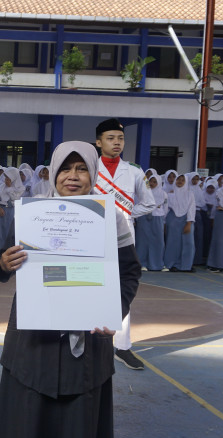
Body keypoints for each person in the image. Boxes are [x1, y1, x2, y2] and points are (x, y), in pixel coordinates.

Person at [0, 141, 140, 438]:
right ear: (54, 173)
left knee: (77, 427)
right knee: (26, 426)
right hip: (32, 345)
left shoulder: (111, 218)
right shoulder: (31, 215)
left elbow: (129, 273)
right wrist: (4, 263)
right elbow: (4, 262)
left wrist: (113, 310)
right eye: (66, 168)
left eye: (82, 168)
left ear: (93, 174)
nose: (73, 176)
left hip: (87, 345)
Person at [92, 118, 154, 371]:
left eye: (120, 139)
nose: (116, 143)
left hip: (123, 236)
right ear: (98, 142)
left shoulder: (135, 171)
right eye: (110, 138)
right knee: (91, 283)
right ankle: (91, 339)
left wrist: (126, 215)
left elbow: (149, 202)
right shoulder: (89, 167)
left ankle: (122, 346)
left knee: (123, 289)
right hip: (92, 233)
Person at [163, 173, 196, 272]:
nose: (180, 182)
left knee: (188, 243)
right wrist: (164, 222)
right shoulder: (170, 194)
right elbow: (165, 209)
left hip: (186, 220)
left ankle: (186, 266)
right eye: (178, 179)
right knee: (173, 243)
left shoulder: (190, 194)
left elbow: (191, 208)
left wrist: (189, 222)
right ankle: (172, 264)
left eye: (182, 180)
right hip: (173, 219)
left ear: (186, 182)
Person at [135, 175, 167, 271]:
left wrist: (163, 220)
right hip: (143, 217)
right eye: (150, 181)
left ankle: (157, 264)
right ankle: (141, 263)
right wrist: (136, 218)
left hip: (157, 218)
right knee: (142, 242)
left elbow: (166, 208)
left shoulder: (163, 194)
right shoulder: (143, 192)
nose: (152, 184)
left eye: (154, 182)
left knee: (157, 242)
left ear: (159, 183)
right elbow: (137, 204)